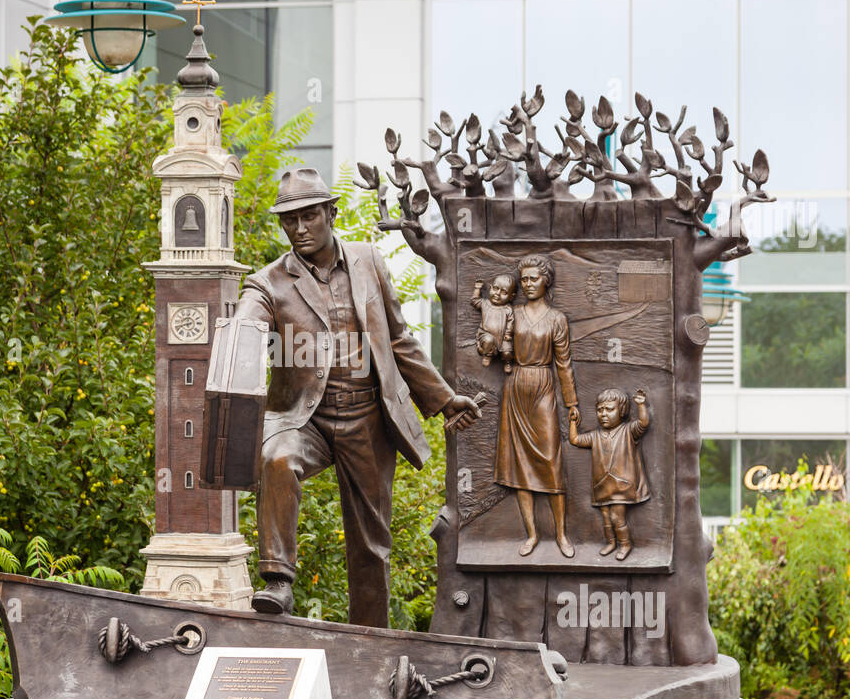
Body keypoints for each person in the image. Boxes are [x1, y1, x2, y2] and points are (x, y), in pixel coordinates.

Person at [231, 168, 481, 627]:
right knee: (277, 459)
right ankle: (277, 581)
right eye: (290, 221)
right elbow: (249, 317)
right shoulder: (268, 283)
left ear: (331, 212)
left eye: (309, 216)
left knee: (370, 545)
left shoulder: (369, 262)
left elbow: (401, 340)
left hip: (367, 418)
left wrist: (445, 399)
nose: (300, 228)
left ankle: (371, 641)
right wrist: (242, 329)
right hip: (305, 419)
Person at [493, 254, 578, 558]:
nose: (528, 284)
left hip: (543, 386)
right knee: (519, 466)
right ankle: (531, 534)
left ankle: (561, 535)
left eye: (534, 278)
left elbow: (564, 363)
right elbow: (492, 340)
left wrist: (571, 402)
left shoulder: (557, 319)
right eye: (524, 279)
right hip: (515, 386)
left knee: (551, 462)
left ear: (546, 281)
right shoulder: (512, 314)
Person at [569, 387, 651, 560]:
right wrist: (572, 422)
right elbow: (575, 440)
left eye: (609, 409)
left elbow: (643, 423)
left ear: (621, 411)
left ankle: (625, 544)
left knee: (616, 517)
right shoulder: (595, 436)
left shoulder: (628, 430)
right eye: (600, 410)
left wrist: (642, 405)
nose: (603, 414)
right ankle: (611, 542)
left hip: (622, 485)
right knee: (606, 517)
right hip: (602, 486)